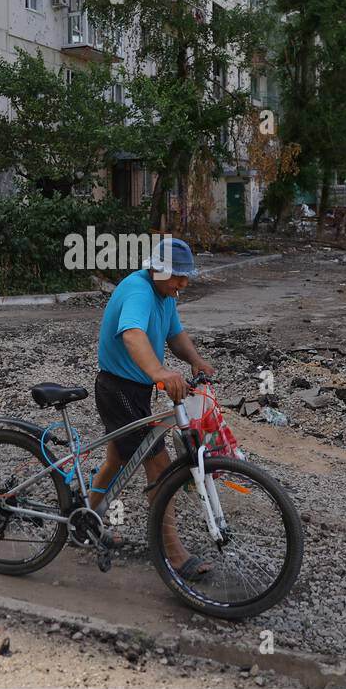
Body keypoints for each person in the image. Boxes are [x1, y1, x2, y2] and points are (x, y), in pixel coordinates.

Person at [89, 237, 215, 579]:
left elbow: (174, 335)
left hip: (135, 390)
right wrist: (159, 372)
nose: (183, 283)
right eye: (178, 276)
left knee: (117, 458)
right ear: (157, 269)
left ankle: (86, 519)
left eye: (186, 276)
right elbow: (132, 335)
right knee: (159, 464)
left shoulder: (164, 295)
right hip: (118, 389)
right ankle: (171, 551)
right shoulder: (139, 291)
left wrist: (195, 360)